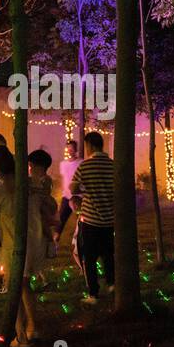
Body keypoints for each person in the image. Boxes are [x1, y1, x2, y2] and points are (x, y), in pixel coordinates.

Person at [0, 147, 55, 347]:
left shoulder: (0, 192)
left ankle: (28, 331)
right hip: (34, 240)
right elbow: (50, 206)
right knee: (20, 286)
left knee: (18, 287)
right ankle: (23, 332)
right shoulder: (30, 184)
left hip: (15, 244)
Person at [68, 131, 115, 306]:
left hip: (90, 220)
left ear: (90, 146)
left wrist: (84, 189)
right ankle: (112, 284)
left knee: (89, 258)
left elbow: (73, 188)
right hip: (109, 219)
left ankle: (93, 294)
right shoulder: (112, 165)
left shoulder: (85, 166)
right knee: (108, 254)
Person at [55, 139, 80, 243]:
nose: (70, 150)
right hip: (66, 196)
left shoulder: (80, 163)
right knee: (60, 221)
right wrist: (62, 192)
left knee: (81, 221)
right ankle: (55, 241)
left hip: (78, 197)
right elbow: (62, 179)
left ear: (75, 149)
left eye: (72, 148)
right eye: (68, 148)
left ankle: (79, 241)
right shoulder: (63, 164)